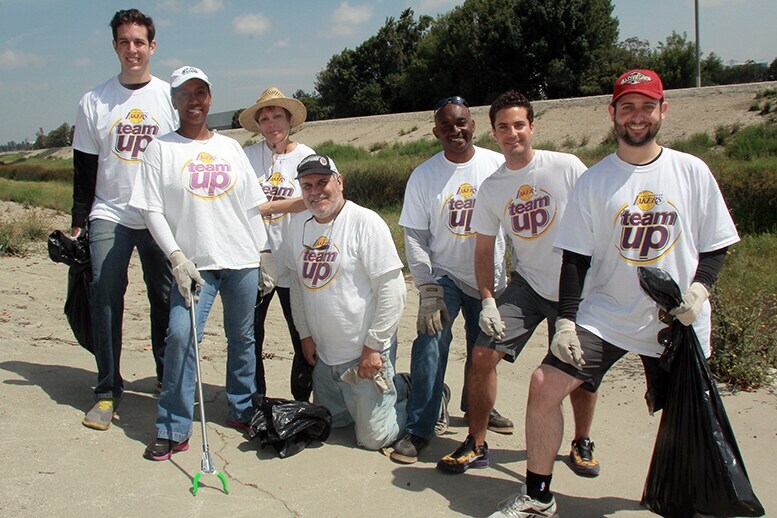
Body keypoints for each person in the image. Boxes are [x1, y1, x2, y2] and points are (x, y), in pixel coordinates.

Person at [488, 69, 740, 517]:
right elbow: (575, 259)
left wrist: (700, 290)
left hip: (676, 320)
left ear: (663, 110)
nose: (637, 116)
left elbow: (716, 245)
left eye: (647, 106)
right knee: (544, 384)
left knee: (686, 410)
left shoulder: (692, 171)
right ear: (613, 113)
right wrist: (567, 321)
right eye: (627, 107)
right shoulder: (595, 180)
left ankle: (687, 497)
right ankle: (538, 497)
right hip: (607, 316)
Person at [437, 91, 599, 477]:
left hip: (578, 285)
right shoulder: (493, 187)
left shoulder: (566, 167)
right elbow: (483, 250)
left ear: (532, 127)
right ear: (493, 133)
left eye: (519, 125)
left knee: (576, 365)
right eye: (504, 127)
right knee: (482, 354)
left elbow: (601, 217)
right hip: (528, 284)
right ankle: (476, 442)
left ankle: (581, 440)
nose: (513, 134)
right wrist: (488, 301)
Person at [128, 66, 269, 460]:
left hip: (241, 259)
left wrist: (263, 254)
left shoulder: (231, 148)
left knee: (243, 337)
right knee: (180, 335)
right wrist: (175, 256)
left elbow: (251, 207)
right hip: (194, 265)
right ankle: (173, 425)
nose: (194, 100)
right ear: (174, 100)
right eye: (185, 93)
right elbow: (151, 210)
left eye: (201, 92)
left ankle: (242, 407)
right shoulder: (160, 149)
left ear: (210, 98)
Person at [72, 9, 177, 431]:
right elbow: (84, 167)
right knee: (105, 293)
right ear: (115, 46)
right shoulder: (94, 101)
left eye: (139, 42)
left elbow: (183, 160)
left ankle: (167, 377)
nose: (132, 49)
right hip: (109, 211)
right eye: (124, 42)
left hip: (159, 214)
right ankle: (106, 390)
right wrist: (78, 220)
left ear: (152, 46)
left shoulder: (170, 97)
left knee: (166, 298)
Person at [391, 96, 510, 465]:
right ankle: (420, 426)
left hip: (489, 277)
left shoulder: (498, 165)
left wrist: (516, 271)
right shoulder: (424, 175)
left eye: (461, 123)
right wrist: (427, 288)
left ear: (473, 125)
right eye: (446, 126)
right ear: (435, 132)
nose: (455, 131)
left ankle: (478, 407)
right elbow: (414, 236)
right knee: (429, 343)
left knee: (484, 350)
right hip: (444, 275)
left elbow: (516, 222)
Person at [285, 154, 408, 450]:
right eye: (307, 186)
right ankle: (386, 391)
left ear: (339, 182)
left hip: (363, 354)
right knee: (333, 423)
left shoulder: (366, 222)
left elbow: (393, 290)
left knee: (374, 438)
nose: (315, 192)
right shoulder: (297, 226)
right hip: (325, 358)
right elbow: (297, 286)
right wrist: (305, 335)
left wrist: (374, 346)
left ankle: (422, 397)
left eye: (322, 182)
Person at [239, 87, 313, 401]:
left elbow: (314, 197)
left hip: (294, 261)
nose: (272, 124)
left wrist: (269, 206)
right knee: (250, 335)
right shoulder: (246, 157)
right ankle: (255, 399)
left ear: (289, 120)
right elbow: (237, 199)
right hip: (256, 261)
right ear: (258, 124)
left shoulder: (306, 156)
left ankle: (302, 401)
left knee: (302, 335)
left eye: (278, 116)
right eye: (265, 118)